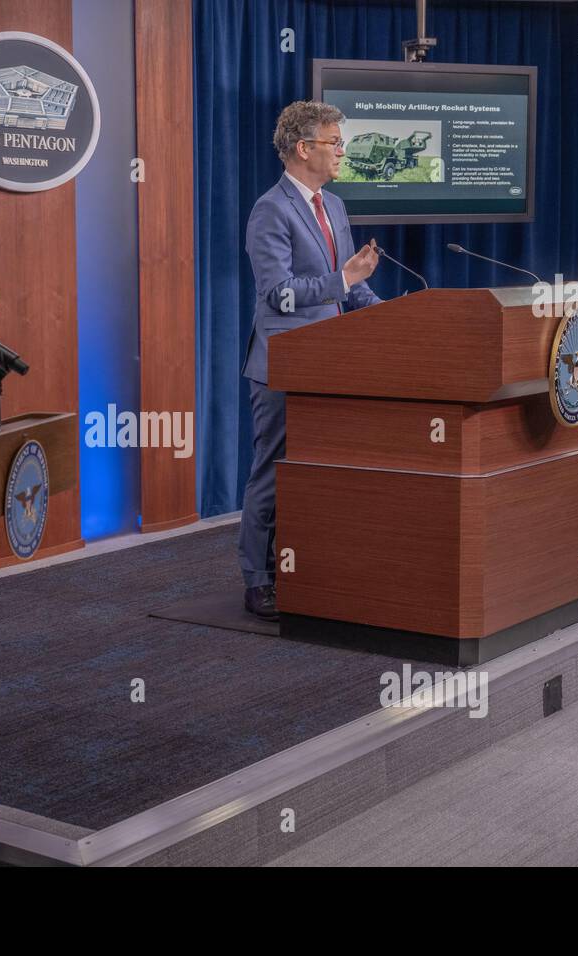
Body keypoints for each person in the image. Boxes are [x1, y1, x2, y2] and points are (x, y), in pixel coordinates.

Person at [238, 100, 382, 621]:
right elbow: (278, 294)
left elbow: (349, 289)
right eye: (335, 143)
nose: (343, 151)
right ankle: (258, 579)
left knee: (325, 474)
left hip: (333, 364)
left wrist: (397, 314)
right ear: (304, 149)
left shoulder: (335, 206)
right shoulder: (270, 209)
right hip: (284, 365)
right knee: (273, 472)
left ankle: (315, 567)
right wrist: (344, 281)